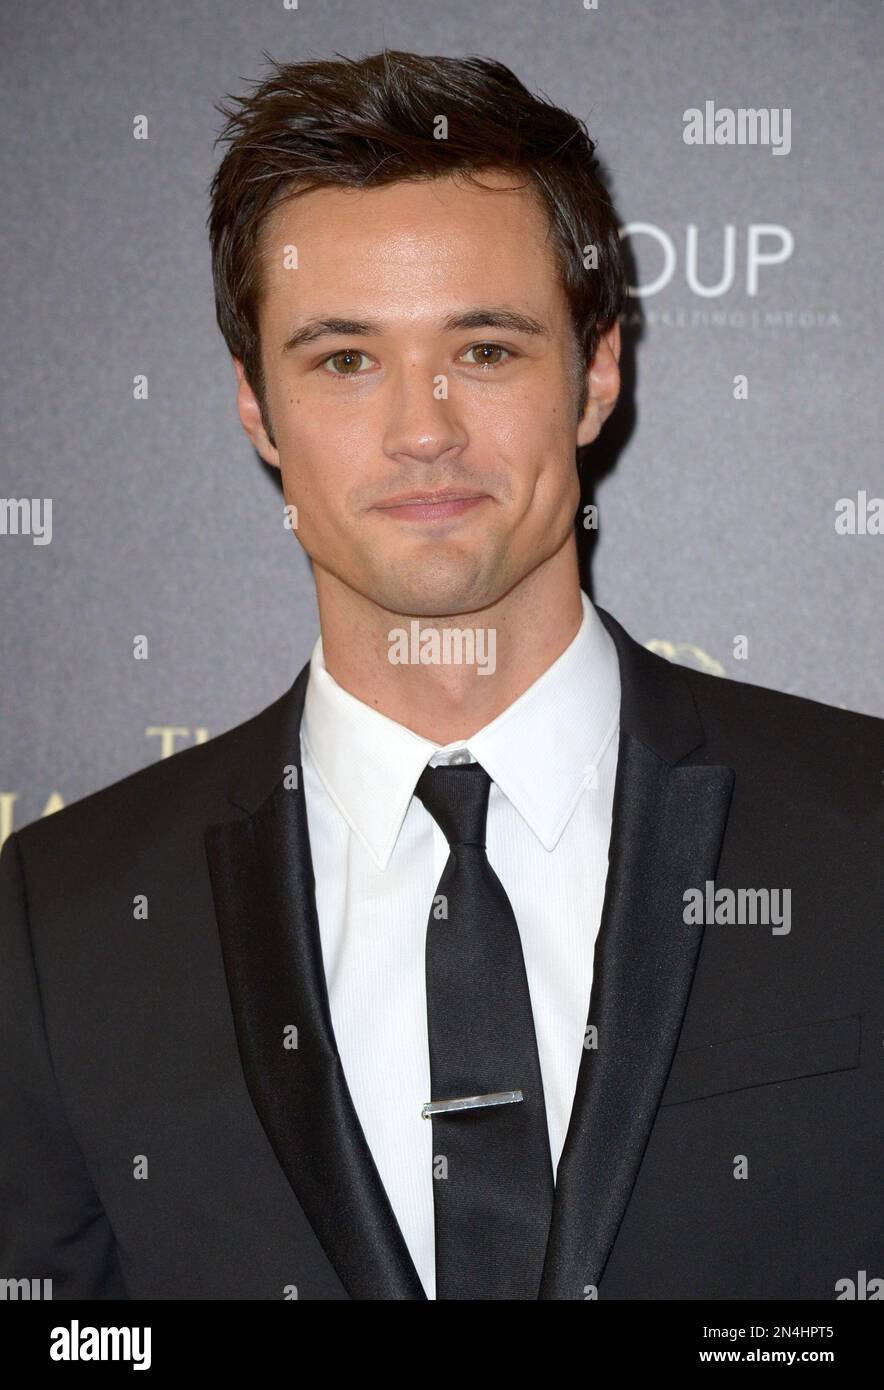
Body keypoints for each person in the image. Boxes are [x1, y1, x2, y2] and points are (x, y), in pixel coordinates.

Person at [1, 50, 881, 1301]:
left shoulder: (861, 832)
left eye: (485, 347)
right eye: (344, 360)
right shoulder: (60, 923)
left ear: (597, 373)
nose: (424, 428)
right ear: (256, 408)